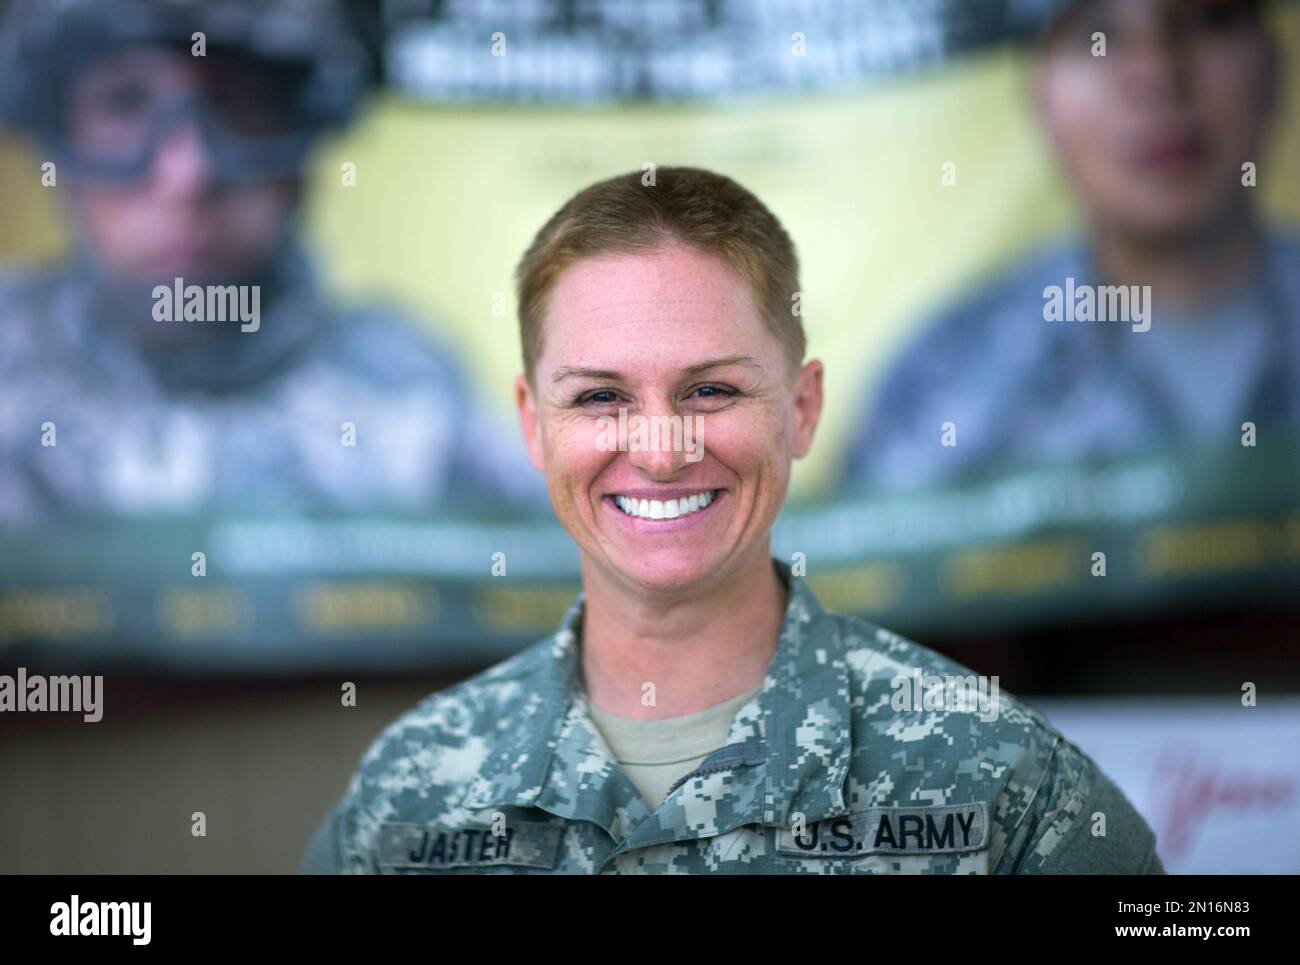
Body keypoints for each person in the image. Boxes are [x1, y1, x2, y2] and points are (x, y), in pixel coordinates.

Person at [301, 166, 1163, 874]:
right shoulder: (408, 795)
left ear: (801, 407)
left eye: (710, 390)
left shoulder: (998, 776)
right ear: (533, 424)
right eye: (601, 396)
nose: (663, 449)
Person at [0, 0, 544, 527]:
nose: (186, 174)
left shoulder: (419, 405)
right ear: (59, 143)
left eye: (236, 108)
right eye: (125, 105)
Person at [842, 0, 1299, 494]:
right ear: (1038, 95)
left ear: (1272, 64)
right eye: (1097, 34)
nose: (1158, 73)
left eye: (1207, 20)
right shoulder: (946, 385)